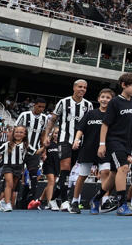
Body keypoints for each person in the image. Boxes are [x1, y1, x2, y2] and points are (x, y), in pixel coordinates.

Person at [43, 79, 93, 211]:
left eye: (85, 88)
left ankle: (53, 198)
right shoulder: (63, 102)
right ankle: (65, 201)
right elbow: (53, 119)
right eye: (80, 87)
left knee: (67, 172)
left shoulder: (88, 105)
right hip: (64, 139)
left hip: (79, 141)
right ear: (74, 88)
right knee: (65, 167)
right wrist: (47, 135)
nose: (82, 89)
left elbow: (89, 124)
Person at [97, 73, 132, 216]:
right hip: (114, 141)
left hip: (127, 143)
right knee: (123, 169)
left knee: (114, 174)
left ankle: (96, 199)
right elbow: (105, 124)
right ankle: (122, 205)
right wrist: (102, 144)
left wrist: (131, 149)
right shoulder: (115, 102)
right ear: (123, 85)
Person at [70, 89, 113, 214]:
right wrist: (76, 140)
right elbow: (80, 128)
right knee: (82, 176)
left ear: (112, 101)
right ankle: (75, 201)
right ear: (98, 99)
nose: (105, 99)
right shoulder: (90, 113)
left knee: (105, 172)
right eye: (103, 97)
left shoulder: (113, 115)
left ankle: (105, 201)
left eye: (108, 97)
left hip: (105, 149)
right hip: (88, 149)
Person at [0, 125, 40, 212]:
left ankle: (3, 201)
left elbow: (36, 152)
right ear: (13, 133)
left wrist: (45, 147)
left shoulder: (26, 145)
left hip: (19, 167)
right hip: (8, 166)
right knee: (9, 184)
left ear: (25, 134)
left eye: (21, 132)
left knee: (13, 186)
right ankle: (7, 203)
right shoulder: (8, 144)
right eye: (16, 132)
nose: (18, 134)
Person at [16, 98, 48, 210]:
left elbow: (43, 135)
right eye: (39, 106)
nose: (41, 109)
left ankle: (31, 201)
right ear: (34, 105)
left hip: (35, 151)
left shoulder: (44, 118)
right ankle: (11, 200)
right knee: (16, 174)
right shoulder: (24, 115)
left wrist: (44, 150)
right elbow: (15, 130)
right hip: (21, 150)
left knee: (34, 175)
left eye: (43, 107)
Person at [38, 129, 60, 210]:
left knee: (51, 183)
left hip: (57, 166)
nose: (56, 135)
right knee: (51, 181)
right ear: (52, 134)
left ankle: (40, 199)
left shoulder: (61, 144)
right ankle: (50, 202)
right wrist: (43, 154)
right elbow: (42, 151)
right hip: (48, 164)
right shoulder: (48, 142)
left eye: (58, 133)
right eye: (55, 133)